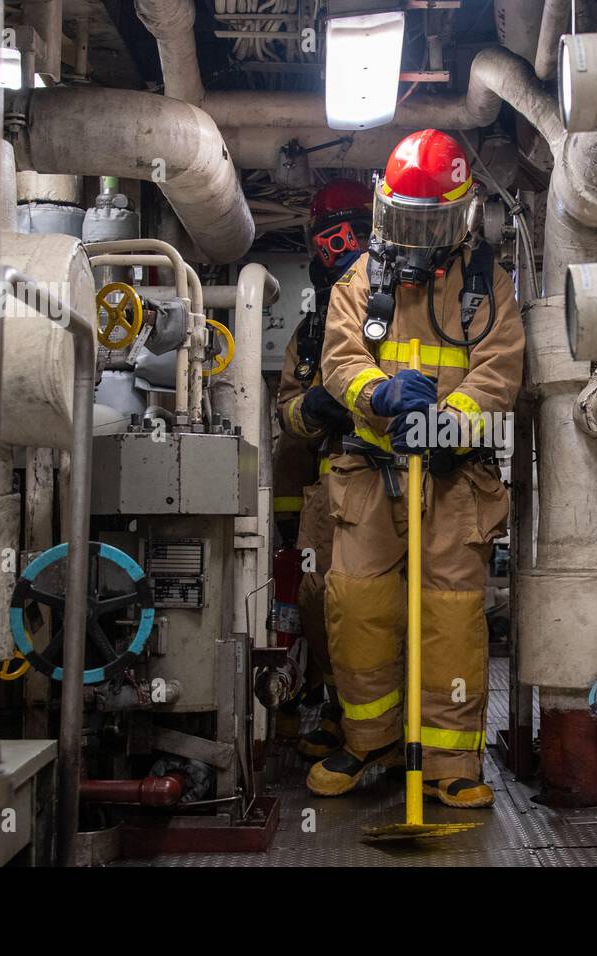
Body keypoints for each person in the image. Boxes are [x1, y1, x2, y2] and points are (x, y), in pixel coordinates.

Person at [306, 129, 524, 809]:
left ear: (461, 215)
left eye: (430, 221)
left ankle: (451, 760)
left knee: (453, 617)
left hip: (456, 480)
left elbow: (500, 371)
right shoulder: (358, 280)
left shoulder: (488, 285)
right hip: (369, 473)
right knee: (360, 606)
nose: (416, 234)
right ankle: (367, 738)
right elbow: (340, 361)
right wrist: (379, 395)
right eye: (405, 218)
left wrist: (445, 419)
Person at [273, 178, 374, 756]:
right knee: (321, 601)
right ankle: (342, 714)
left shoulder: (404, 311)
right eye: (332, 238)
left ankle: (398, 726)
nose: (341, 249)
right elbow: (287, 415)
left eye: (353, 232)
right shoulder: (308, 337)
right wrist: (311, 406)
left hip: (397, 478)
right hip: (331, 485)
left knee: (386, 604)